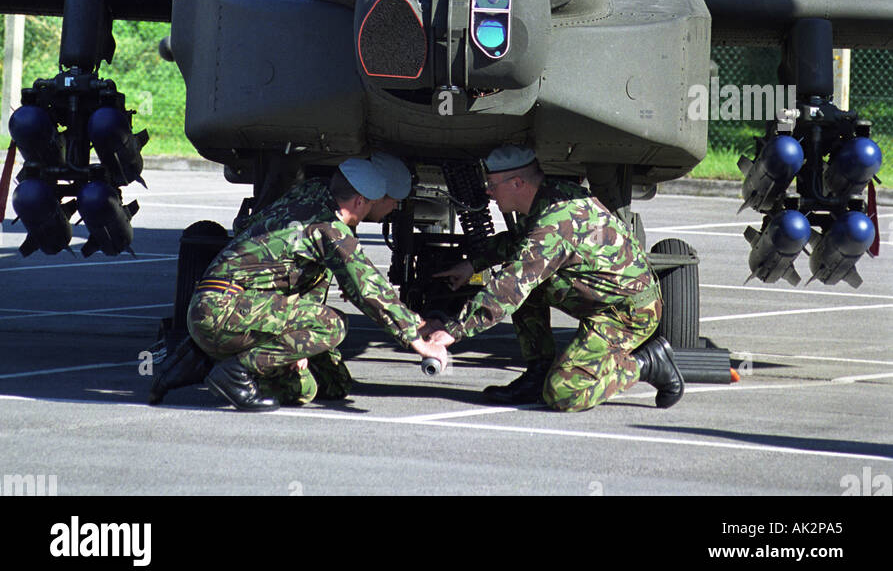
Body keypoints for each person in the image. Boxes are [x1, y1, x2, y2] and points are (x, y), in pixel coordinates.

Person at [431, 145, 684, 412]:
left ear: (517, 183)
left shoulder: (556, 221)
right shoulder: (550, 197)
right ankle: (538, 373)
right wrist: (473, 264)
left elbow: (510, 287)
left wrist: (452, 330)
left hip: (627, 313)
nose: (488, 192)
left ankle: (647, 364)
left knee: (563, 393)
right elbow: (521, 244)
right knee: (522, 275)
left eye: (492, 184)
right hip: (601, 299)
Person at [187, 153, 441, 411]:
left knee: (328, 384)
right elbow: (367, 288)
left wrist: (295, 344)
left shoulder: (315, 194)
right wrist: (415, 338)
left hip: (235, 306)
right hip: (224, 309)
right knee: (332, 325)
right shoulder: (329, 228)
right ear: (361, 200)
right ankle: (235, 372)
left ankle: (206, 365)